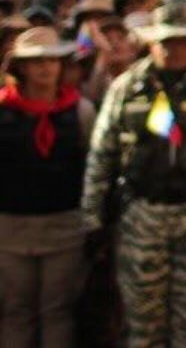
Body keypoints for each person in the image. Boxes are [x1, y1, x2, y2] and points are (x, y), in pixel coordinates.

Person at [80, 0, 186, 348]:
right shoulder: (126, 89)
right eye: (167, 41)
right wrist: (93, 219)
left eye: (183, 41)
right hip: (143, 218)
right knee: (144, 328)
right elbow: (102, 156)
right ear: (152, 42)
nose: (175, 50)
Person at [0, 27, 92, 348]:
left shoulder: (81, 111)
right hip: (10, 228)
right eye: (35, 61)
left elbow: (93, 165)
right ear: (21, 68)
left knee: (57, 311)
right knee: (16, 311)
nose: (45, 67)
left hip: (63, 226)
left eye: (52, 60)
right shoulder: (2, 110)